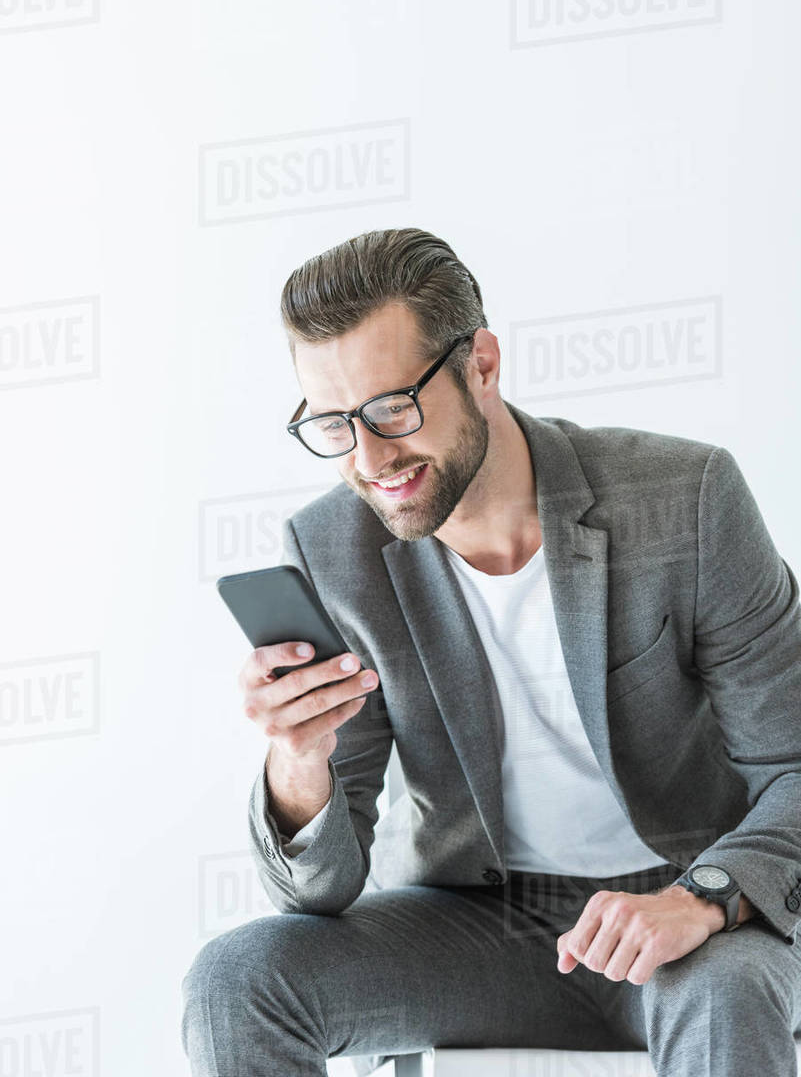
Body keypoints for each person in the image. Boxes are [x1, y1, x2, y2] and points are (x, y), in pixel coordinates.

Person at [181, 227, 801, 1076]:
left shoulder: (684, 499)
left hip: (681, 915)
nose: (368, 459)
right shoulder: (331, 551)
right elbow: (317, 893)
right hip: (473, 927)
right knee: (236, 980)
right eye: (331, 423)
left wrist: (702, 901)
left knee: (728, 991)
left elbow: (792, 767)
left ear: (480, 363)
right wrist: (300, 762)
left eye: (391, 408)